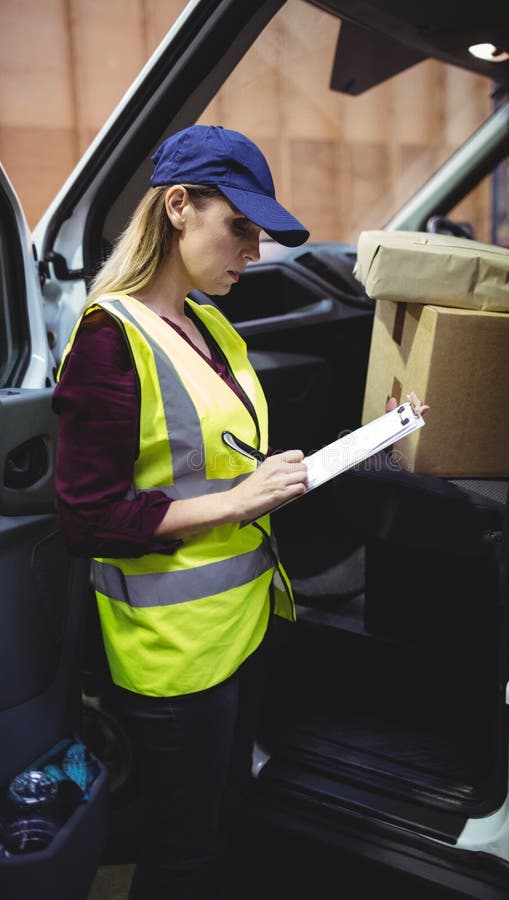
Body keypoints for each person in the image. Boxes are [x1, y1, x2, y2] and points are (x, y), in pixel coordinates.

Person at [52, 124, 312, 900]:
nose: (252, 253)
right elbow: (87, 520)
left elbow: (218, 461)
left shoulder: (211, 324)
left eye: (256, 235)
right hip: (173, 655)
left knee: (227, 818)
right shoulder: (109, 338)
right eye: (240, 228)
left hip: (243, 623)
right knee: (184, 853)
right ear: (177, 207)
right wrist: (240, 499)